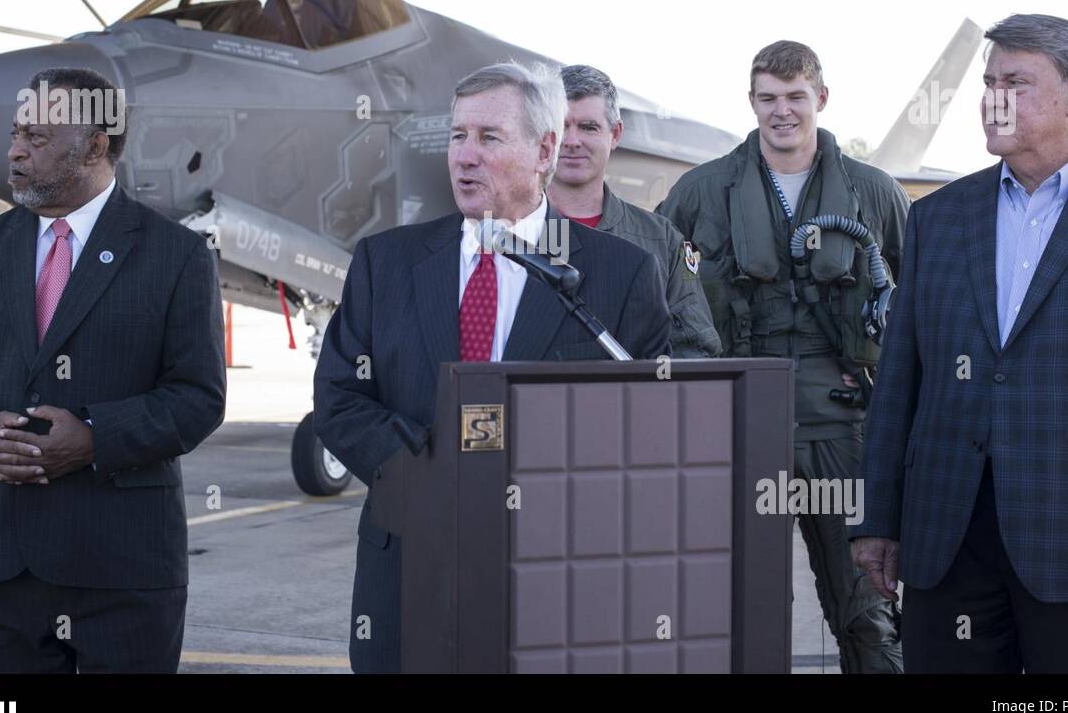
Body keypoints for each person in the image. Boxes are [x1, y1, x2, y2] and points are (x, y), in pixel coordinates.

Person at [314, 60, 671, 673]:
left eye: (488, 138)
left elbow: (651, 422)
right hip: (410, 568)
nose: (464, 157)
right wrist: (429, 479)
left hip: (556, 579)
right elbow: (340, 398)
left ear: (545, 150)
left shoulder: (620, 274)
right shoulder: (385, 263)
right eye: (458, 136)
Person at [851, 14, 1068, 673]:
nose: (992, 97)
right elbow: (901, 379)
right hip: (948, 537)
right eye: (989, 81)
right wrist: (878, 515)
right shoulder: (938, 217)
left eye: (1015, 82)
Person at [0, 67, 226, 673]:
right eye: (15, 132)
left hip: (123, 568)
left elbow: (197, 398)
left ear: (96, 145)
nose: (15, 149)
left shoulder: (176, 255)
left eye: (38, 135)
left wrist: (94, 438)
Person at [658, 41, 908, 673]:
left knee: (865, 608)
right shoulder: (699, 193)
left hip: (841, 427)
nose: (782, 112)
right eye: (768, 98)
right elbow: (655, 297)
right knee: (736, 607)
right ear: (752, 103)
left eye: (795, 97)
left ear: (820, 98)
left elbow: (918, 316)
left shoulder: (876, 195)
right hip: (735, 426)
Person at [549, 64, 720, 358]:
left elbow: (695, 349)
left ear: (615, 134)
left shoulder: (663, 240)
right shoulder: (508, 233)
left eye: (589, 127)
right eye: (561, 125)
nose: (572, 140)